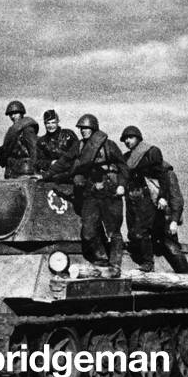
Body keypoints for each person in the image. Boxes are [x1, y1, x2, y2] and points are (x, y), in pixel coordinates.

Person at [71, 114, 129, 278]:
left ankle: (115, 264)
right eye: (81, 129)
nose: (83, 131)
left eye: (86, 128)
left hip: (110, 191)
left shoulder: (109, 146)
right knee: (88, 231)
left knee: (113, 230)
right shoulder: (81, 148)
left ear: (94, 129)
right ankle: (101, 258)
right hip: (91, 192)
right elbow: (68, 163)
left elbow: (123, 167)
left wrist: (122, 186)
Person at [120, 126, 172, 273]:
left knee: (141, 230)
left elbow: (162, 176)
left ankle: (148, 263)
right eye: (125, 139)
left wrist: (162, 196)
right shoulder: (126, 158)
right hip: (132, 199)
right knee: (132, 232)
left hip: (146, 197)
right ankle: (142, 259)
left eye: (130, 138)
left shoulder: (151, 152)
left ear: (138, 138)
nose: (127, 141)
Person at [152, 161, 188, 273]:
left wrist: (174, 221)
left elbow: (176, 199)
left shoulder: (167, 174)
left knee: (171, 245)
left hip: (166, 217)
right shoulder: (143, 172)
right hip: (152, 217)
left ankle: (186, 276)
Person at [0, 101, 40, 178]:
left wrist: (35, 170)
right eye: (11, 114)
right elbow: (12, 146)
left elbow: (34, 149)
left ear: (21, 113)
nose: (13, 116)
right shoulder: (14, 131)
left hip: (25, 171)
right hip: (12, 170)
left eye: (15, 113)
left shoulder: (27, 130)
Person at [35, 109, 79, 174]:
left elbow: (77, 151)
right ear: (44, 124)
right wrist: (51, 162)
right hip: (52, 173)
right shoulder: (41, 141)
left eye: (53, 122)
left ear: (58, 122)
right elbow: (38, 162)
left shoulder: (68, 134)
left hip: (70, 170)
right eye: (48, 123)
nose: (51, 126)